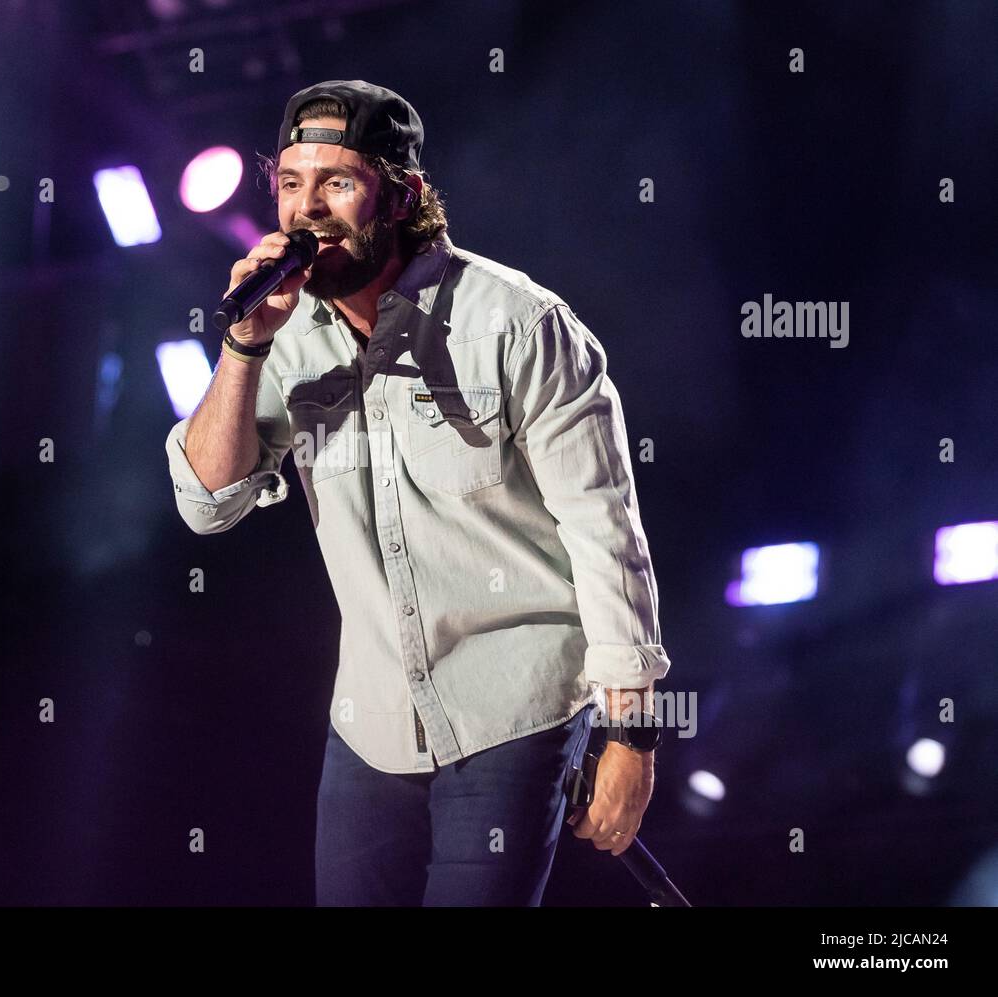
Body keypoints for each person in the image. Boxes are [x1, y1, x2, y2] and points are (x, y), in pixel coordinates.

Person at [165, 80, 672, 905]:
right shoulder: (286, 338)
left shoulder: (517, 324)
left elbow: (605, 529)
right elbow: (205, 500)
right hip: (371, 725)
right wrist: (244, 346)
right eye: (291, 184)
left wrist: (631, 736)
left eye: (337, 183)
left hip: (514, 711)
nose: (307, 210)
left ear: (401, 196)